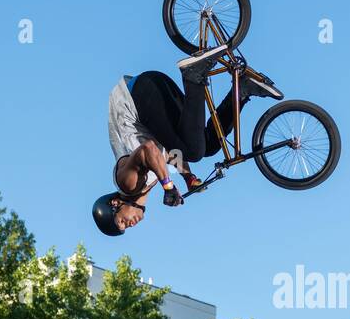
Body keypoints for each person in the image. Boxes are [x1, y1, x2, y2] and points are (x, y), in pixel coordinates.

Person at [93, 47, 282, 236]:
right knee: (207, 147)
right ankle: (242, 90)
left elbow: (148, 149)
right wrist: (188, 178)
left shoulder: (127, 184)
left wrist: (168, 186)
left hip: (141, 95)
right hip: (150, 89)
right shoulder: (145, 184)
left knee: (193, 152)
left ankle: (193, 76)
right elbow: (169, 153)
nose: (129, 224)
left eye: (121, 222)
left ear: (115, 204)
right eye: (125, 228)